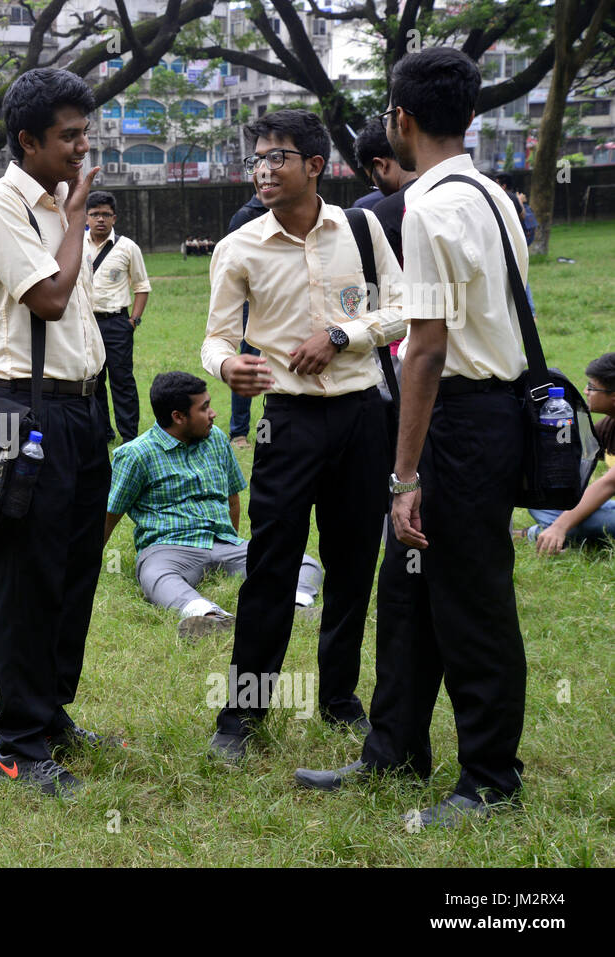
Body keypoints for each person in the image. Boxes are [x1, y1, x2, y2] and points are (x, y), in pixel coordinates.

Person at [295, 48, 532, 829]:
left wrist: (403, 477)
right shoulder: (491, 192)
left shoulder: (430, 206)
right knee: (407, 586)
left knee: (470, 598)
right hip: (472, 413)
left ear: (400, 119)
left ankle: (490, 781)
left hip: (462, 421)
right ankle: (392, 749)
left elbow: (426, 345)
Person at [201, 108, 406, 763]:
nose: (264, 168)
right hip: (285, 424)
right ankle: (241, 715)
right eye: (258, 157)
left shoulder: (362, 227)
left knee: (352, 565)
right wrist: (225, 364)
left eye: (278, 156)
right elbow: (214, 335)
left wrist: (343, 335)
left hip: (361, 417)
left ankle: (339, 697)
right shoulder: (239, 247)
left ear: (315, 165)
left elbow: (402, 311)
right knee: (270, 567)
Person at [0, 67, 115, 797]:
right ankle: (17, 743)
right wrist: (77, 210)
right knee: (26, 578)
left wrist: (71, 209)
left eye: (84, 134)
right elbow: (51, 300)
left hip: (82, 410)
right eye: (67, 137)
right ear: (26, 140)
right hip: (27, 411)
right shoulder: (0, 204)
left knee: (74, 569)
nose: (80, 149)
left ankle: (51, 712)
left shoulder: (58, 208)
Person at [105, 372, 322, 639]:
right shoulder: (136, 454)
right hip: (169, 548)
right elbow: (110, 514)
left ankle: (296, 606)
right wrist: (86, 564)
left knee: (304, 563)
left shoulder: (216, 439)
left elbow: (233, 497)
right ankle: (208, 616)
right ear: (178, 416)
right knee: (155, 575)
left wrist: (232, 543)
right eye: (204, 407)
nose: (213, 413)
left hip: (224, 543)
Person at [523, 352, 615, 551]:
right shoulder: (610, 424)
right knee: (541, 501)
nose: (585, 391)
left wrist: (560, 526)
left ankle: (538, 533)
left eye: (591, 387)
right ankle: (552, 531)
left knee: (585, 521)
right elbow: (575, 449)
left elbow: (609, 483)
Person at [85, 190, 150, 445]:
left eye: (106, 214)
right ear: (86, 217)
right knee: (93, 381)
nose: (100, 219)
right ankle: (102, 432)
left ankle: (129, 436)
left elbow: (141, 287)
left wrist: (133, 321)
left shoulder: (127, 247)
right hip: (88, 324)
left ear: (114, 218)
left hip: (117, 323)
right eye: (95, 214)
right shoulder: (76, 246)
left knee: (122, 381)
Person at [224, 192, 269, 450]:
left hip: (286, 304)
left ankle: (269, 431)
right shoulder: (245, 216)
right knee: (250, 365)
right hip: (251, 304)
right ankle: (239, 433)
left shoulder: (292, 213)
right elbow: (230, 266)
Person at [353, 119, 417, 262]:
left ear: (381, 165)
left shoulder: (385, 213)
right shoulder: (452, 189)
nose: (376, 187)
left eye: (371, 178)